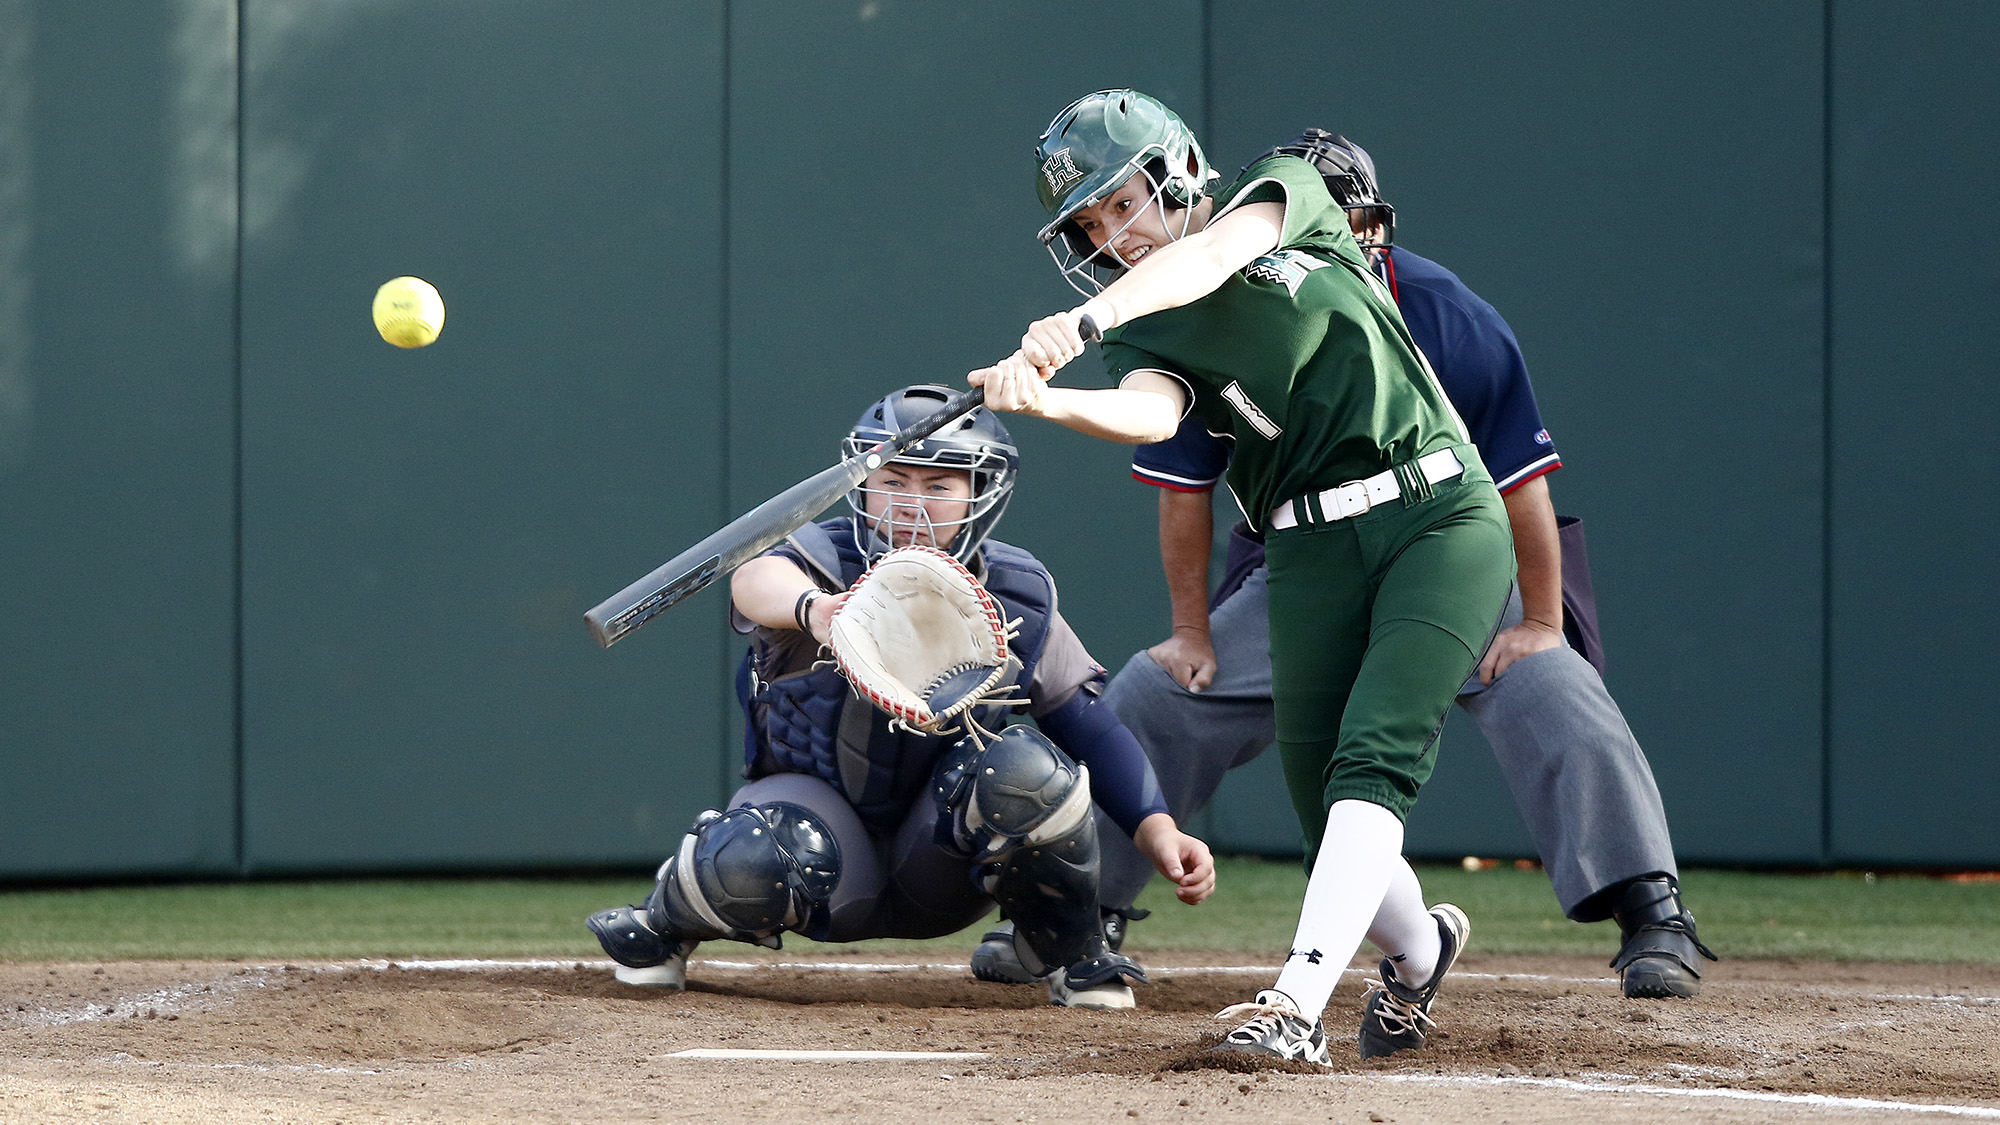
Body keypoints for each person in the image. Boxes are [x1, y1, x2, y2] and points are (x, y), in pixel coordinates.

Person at [972, 131, 1717, 1001]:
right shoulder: (1174, 317)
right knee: (1162, 692)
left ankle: (1649, 905)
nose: (1343, 235)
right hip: (1304, 553)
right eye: (1096, 221)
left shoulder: (1438, 309)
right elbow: (1180, 479)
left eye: (1352, 215)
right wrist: (1189, 629)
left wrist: (1542, 622)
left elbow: (1519, 484)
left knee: (1555, 688)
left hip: (1448, 533)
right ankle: (1078, 913)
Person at [968, 91, 1516, 1064]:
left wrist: (1079, 323)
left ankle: (1292, 1009)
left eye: (1118, 202)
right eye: (1088, 224)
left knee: (1370, 766)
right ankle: (1423, 948)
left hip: (1435, 513)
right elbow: (1147, 415)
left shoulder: (1284, 188)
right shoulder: (1143, 334)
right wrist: (1050, 401)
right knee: (1331, 810)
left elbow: (1211, 257)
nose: (1109, 233)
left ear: (1175, 171)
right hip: (1302, 552)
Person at [586, 384, 1215, 1011]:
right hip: (813, 831)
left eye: (939, 486)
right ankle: (666, 923)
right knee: (751, 856)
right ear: (861, 481)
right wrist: (819, 612)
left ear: (982, 492)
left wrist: (1157, 829)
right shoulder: (820, 558)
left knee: (1027, 770)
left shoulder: (1015, 594)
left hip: (939, 863)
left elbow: (1088, 726)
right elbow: (753, 579)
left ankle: (1067, 951)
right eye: (895, 479)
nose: (912, 503)